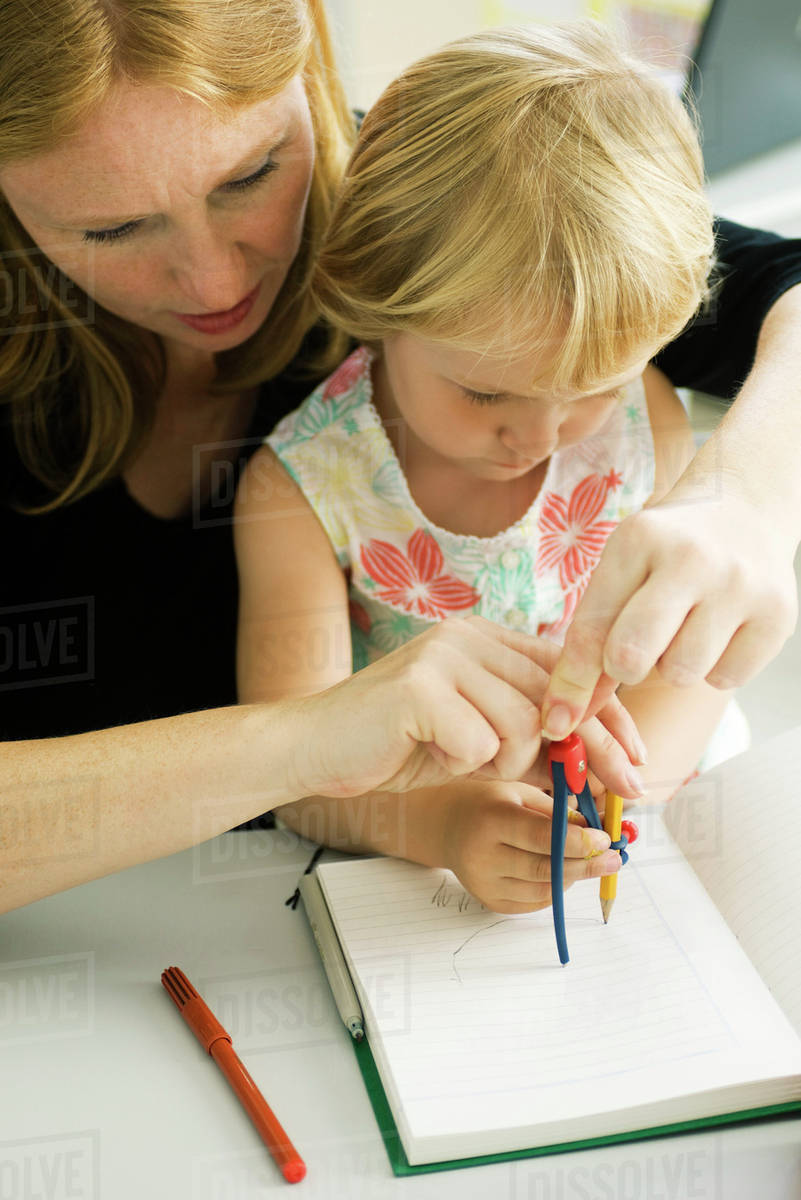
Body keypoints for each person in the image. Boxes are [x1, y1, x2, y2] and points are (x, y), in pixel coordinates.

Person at [0, 0, 799, 914]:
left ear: (311, 63)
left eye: (251, 174)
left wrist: (749, 497)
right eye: (111, 229)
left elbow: (774, 286)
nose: (218, 282)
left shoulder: (467, 201)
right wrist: (419, 809)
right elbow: (315, 783)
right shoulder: (315, 468)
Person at [235, 22, 747, 911]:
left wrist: (629, 789)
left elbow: (697, 660)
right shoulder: (302, 489)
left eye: (592, 387)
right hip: (425, 868)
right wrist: (444, 824)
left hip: (664, 821)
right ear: (374, 299)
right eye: (483, 394)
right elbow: (296, 776)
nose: (538, 436)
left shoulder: (643, 417)